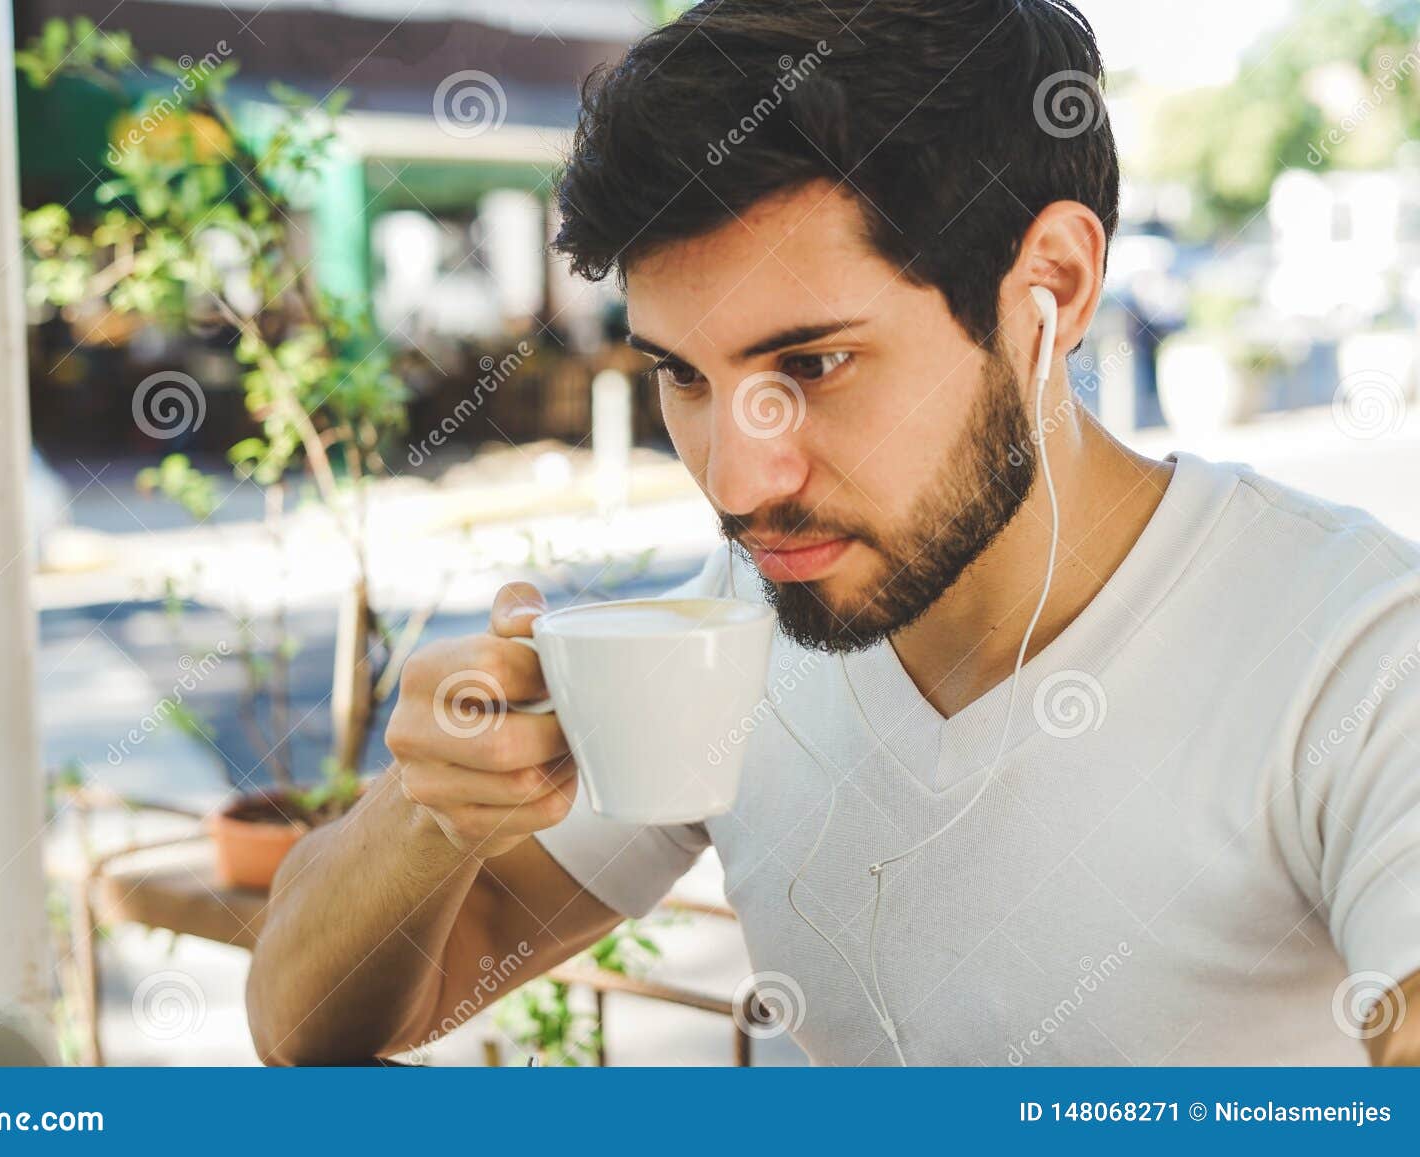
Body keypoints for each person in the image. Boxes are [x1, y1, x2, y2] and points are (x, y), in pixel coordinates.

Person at [246, 0, 1420, 1065]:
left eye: (812, 362)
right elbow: (310, 1020)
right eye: (680, 375)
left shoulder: (1359, 656)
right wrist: (436, 806)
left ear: (1050, 285)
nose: (740, 479)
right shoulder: (725, 632)